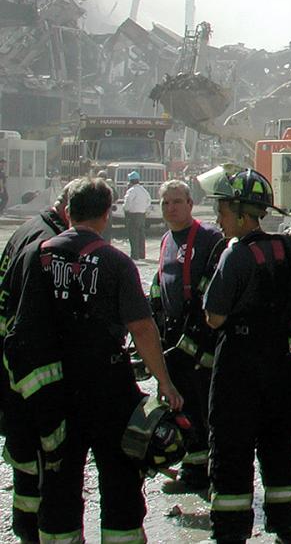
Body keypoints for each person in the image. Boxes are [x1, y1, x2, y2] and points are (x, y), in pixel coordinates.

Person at [3, 176, 182, 544]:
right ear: (107, 214)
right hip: (108, 388)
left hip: (57, 392)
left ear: (68, 212)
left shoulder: (37, 255)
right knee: (119, 478)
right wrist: (164, 382)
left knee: (58, 481)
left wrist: (31, 399)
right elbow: (143, 327)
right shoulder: (116, 262)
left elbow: (20, 334)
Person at [203, 168, 291, 544]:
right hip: (284, 371)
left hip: (238, 373)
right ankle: (288, 530)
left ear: (243, 214)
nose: (218, 219)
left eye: (223, 211)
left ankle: (231, 534)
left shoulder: (235, 256)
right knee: (280, 453)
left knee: (231, 457)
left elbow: (214, 317)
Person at [0, 185, 69, 542]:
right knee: (39, 457)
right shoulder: (47, 243)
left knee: (24, 457)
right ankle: (31, 529)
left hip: (12, 361)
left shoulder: (28, 228)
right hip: (27, 368)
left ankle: (25, 524)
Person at [150, 178, 227, 492]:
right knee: (182, 407)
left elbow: (214, 287)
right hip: (174, 339)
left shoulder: (210, 238)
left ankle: (214, 474)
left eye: (177, 202)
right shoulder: (167, 240)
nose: (171, 208)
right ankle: (193, 472)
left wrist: (193, 336)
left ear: (191, 205)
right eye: (166, 203)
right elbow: (159, 285)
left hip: (202, 339)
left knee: (205, 407)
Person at [123, 170, 151, 260]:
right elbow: (148, 201)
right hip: (142, 215)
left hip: (133, 216)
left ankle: (134, 255)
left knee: (133, 235)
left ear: (131, 181)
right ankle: (142, 254)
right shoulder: (143, 190)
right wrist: (144, 209)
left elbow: (127, 204)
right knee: (141, 236)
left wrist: (126, 209)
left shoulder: (131, 191)